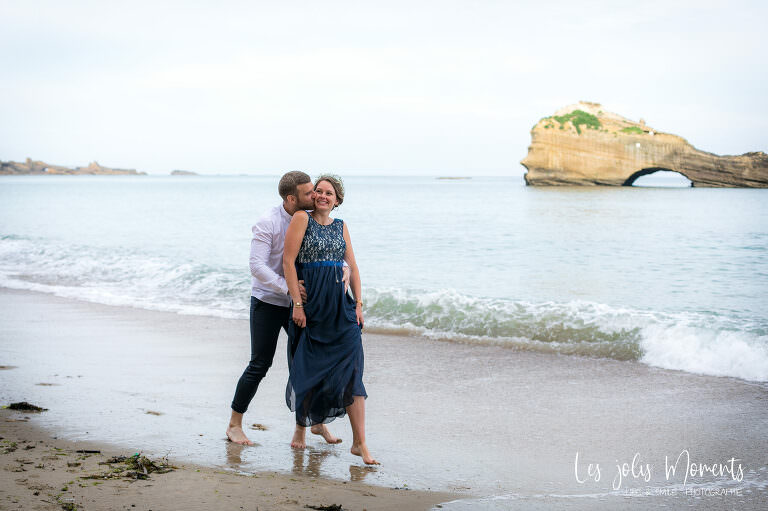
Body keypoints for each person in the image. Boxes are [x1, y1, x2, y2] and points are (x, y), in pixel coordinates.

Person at [226, 171, 346, 447]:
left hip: (300, 304)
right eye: (309, 193)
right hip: (268, 302)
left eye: (316, 191)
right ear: (292, 198)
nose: (315, 196)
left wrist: (346, 267)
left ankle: (315, 422)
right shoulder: (267, 222)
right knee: (260, 364)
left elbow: (328, 249)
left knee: (310, 361)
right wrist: (288, 289)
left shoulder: (311, 218)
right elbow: (256, 266)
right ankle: (234, 424)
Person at [283, 175, 379, 465]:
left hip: (341, 309)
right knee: (308, 367)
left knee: (352, 371)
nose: (323, 196)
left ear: (338, 200)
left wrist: (358, 304)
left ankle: (360, 443)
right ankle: (302, 427)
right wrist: (297, 304)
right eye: (319, 191)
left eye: (329, 193)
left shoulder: (341, 226)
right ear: (313, 196)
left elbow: (353, 265)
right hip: (313, 308)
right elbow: (288, 262)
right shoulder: (302, 218)